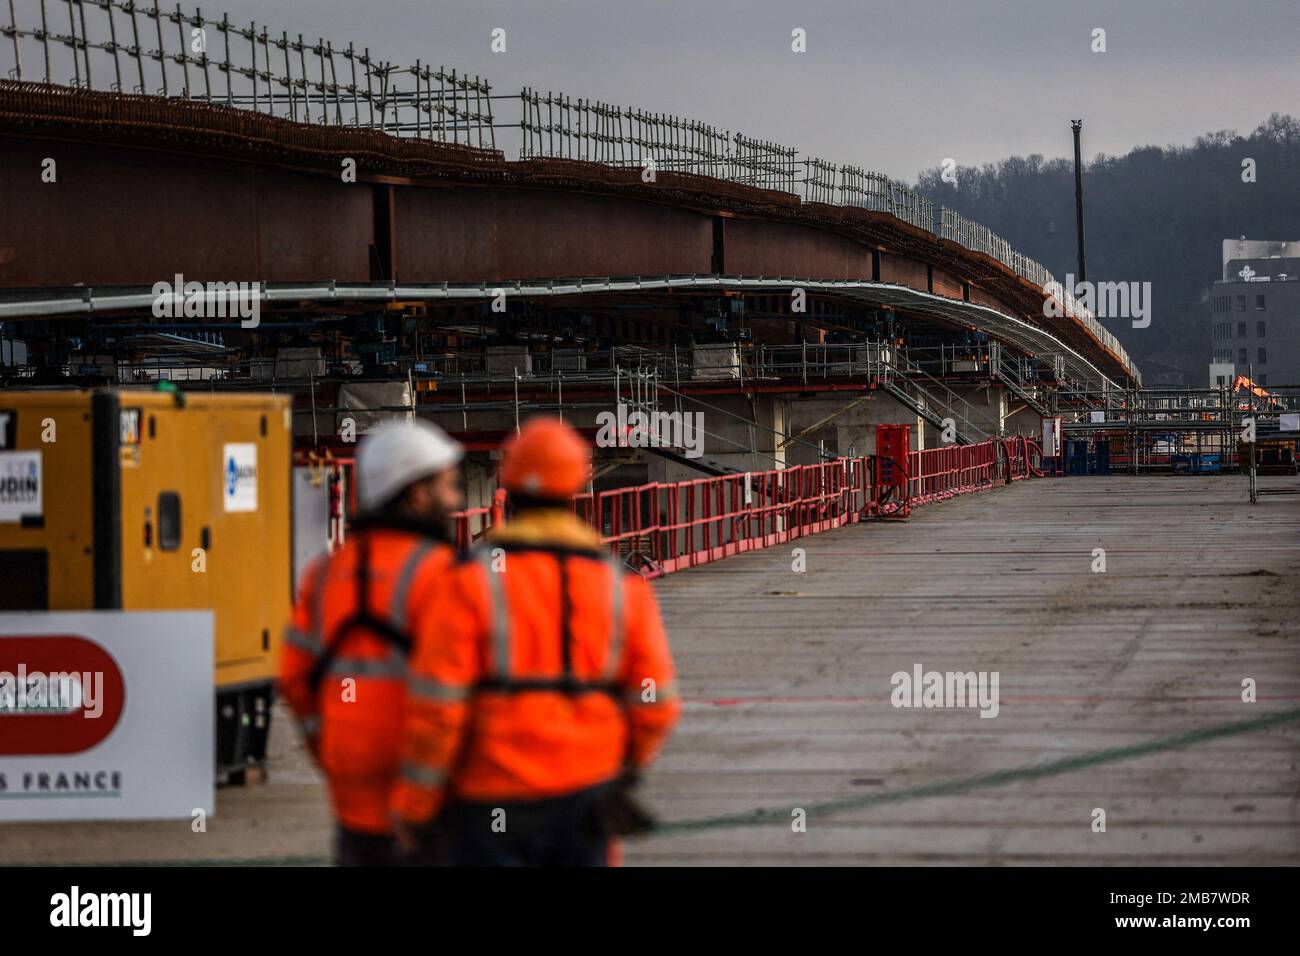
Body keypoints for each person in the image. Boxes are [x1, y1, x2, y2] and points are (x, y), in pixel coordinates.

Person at [390, 417, 680, 866]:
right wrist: (619, 771)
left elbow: (437, 709)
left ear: (506, 484)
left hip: (490, 800)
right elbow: (655, 703)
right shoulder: (622, 587)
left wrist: (417, 803)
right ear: (577, 487)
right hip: (585, 797)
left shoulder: (468, 584)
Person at [280, 419, 464, 866]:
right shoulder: (445, 577)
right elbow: (449, 699)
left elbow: (294, 679)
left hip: (354, 804)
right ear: (417, 494)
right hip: (431, 808)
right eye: (448, 486)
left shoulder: (324, 576)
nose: (457, 499)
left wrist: (332, 751)